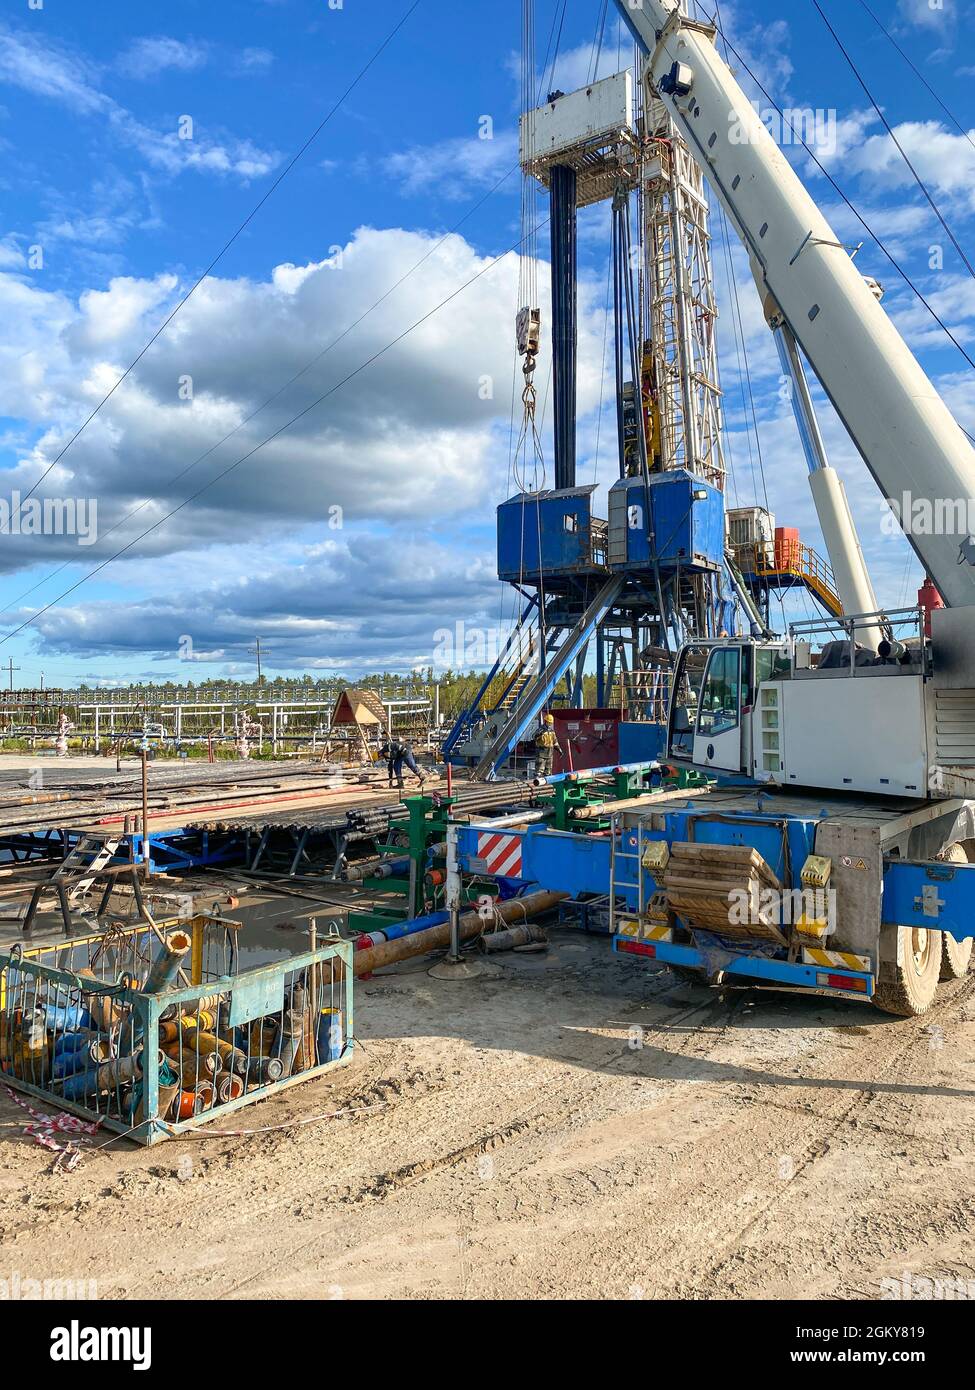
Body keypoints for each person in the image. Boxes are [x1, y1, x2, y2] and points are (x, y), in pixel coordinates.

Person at [534, 713, 561, 779]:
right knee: (539, 771)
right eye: (549, 722)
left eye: (551, 723)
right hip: (541, 753)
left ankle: (547, 782)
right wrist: (540, 733)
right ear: (545, 721)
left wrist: (559, 750)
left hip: (549, 753)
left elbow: (555, 742)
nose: (550, 724)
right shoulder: (540, 730)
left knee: (548, 772)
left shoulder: (552, 731)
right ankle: (537, 781)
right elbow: (534, 737)